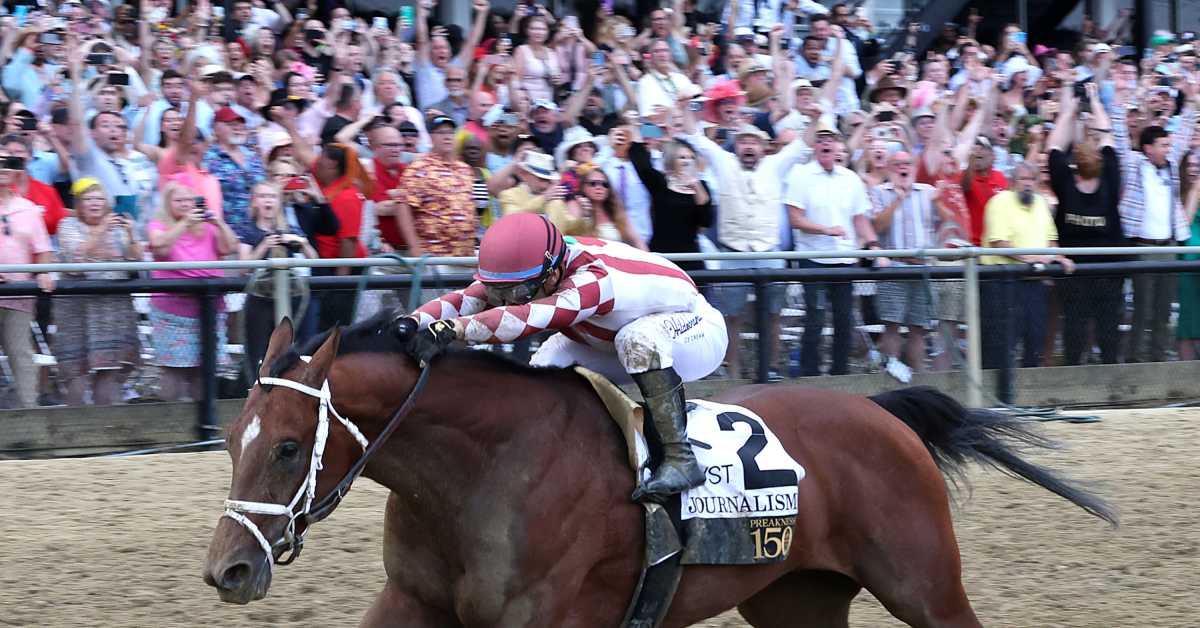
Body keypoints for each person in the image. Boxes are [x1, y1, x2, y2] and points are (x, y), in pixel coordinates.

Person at [400, 213, 728, 503]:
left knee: (637, 340)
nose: (505, 300)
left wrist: (452, 330)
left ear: (554, 273)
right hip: (609, 339)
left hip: (694, 331)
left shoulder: (594, 279)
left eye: (518, 291)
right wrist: (412, 322)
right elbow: (466, 299)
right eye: (500, 290)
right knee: (543, 368)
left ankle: (679, 458)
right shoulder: (539, 266)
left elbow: (525, 319)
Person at [1111, 78, 1199, 362]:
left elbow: (1184, 134)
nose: (1167, 148)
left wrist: (1192, 100)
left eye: (1167, 145)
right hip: (1143, 246)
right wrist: (1126, 97)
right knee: (1143, 308)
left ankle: (1160, 361)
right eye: (1162, 144)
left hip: (1169, 245)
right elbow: (1120, 135)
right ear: (1148, 148)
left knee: (1162, 310)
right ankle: (1137, 362)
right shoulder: (1134, 164)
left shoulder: (1171, 165)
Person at [788, 121, 884, 377]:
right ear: (814, 145)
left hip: (845, 259)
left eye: (830, 138)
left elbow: (859, 219)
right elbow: (795, 218)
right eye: (820, 139)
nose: (825, 143)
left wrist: (874, 245)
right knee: (815, 319)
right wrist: (825, 229)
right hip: (813, 258)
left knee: (844, 320)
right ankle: (809, 375)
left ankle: (839, 374)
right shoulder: (801, 175)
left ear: (839, 144)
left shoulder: (851, 179)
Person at [1046, 81, 1123, 365]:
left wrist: (1071, 108)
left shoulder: (1065, 182)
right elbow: (1107, 137)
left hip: (1082, 272)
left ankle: (1075, 378)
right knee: (1106, 331)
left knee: (1076, 329)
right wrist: (1095, 101)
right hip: (1097, 273)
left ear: (1075, 165)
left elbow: (1054, 144)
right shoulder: (1111, 180)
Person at [147, 182, 240, 401]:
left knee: (203, 369)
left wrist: (218, 222)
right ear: (168, 203)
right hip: (173, 312)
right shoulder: (158, 224)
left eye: (188, 200)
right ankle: (168, 423)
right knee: (173, 370)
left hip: (209, 308)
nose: (185, 204)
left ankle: (205, 426)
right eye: (178, 200)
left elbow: (229, 247)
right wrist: (184, 224)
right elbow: (160, 246)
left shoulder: (208, 227)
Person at [53, 178, 142, 406]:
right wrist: (100, 231)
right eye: (89, 199)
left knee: (109, 369)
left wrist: (132, 236)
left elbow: (136, 262)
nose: (95, 203)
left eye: (100, 198)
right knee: (77, 370)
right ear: (79, 204)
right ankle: (73, 426)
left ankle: (105, 426)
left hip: (113, 308)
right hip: (78, 309)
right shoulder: (68, 225)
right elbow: (76, 257)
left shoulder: (118, 227)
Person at [980, 161, 1075, 369]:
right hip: (1003, 282)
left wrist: (1059, 257)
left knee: (1035, 337)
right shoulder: (999, 202)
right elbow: (999, 243)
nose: (1028, 184)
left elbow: (1051, 239)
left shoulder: (1041, 203)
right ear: (1013, 181)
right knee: (1002, 340)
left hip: (1034, 283)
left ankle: (1029, 392)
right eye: (1023, 179)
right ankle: (993, 395)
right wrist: (1034, 259)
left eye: (1032, 179)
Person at [868, 151, 940, 379]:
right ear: (889, 168)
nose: (903, 168)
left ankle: (919, 379)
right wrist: (898, 200)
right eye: (897, 164)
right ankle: (891, 379)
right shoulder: (879, 192)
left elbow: (946, 223)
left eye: (907, 163)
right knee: (892, 325)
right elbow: (877, 227)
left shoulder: (928, 193)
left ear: (914, 166)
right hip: (894, 267)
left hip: (924, 268)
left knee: (919, 328)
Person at [239, 182, 316, 379]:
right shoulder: (248, 230)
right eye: (263, 196)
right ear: (255, 202)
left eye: (272, 197)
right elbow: (243, 267)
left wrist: (302, 242)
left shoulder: (290, 228)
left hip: (291, 298)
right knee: (259, 349)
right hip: (259, 299)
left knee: (295, 345)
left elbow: (315, 260)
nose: (268, 201)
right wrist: (265, 245)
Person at [0, 153, 55, 408]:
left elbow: (43, 250)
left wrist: (43, 272)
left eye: (8, 163)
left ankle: (30, 421)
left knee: (21, 354)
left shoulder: (29, 209)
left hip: (17, 295)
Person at [627, 132, 712, 270]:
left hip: (691, 256)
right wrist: (635, 131)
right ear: (672, 161)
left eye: (691, 157)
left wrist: (696, 187)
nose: (687, 161)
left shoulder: (702, 186)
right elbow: (642, 166)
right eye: (682, 157)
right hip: (662, 255)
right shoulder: (661, 183)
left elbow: (706, 221)